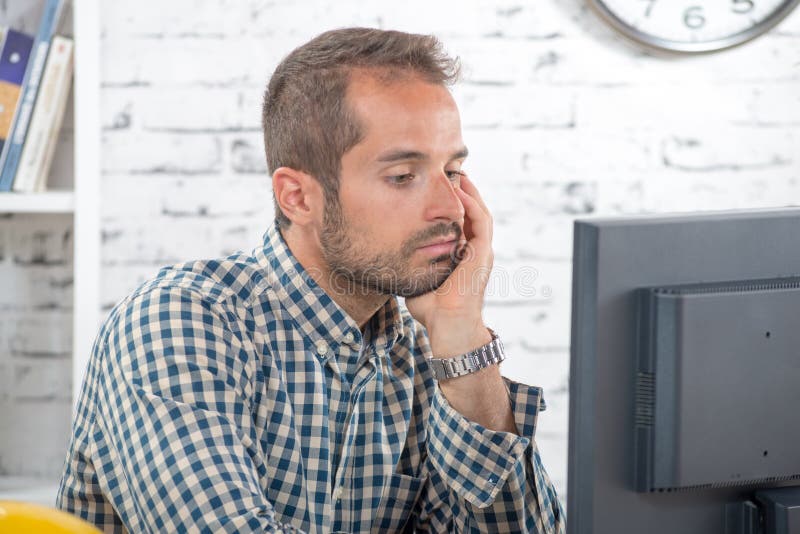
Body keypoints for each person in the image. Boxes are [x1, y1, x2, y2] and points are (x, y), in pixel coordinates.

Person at [57, 27, 565, 533]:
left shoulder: (426, 357)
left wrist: (465, 344)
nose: (451, 207)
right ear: (297, 197)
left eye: (452, 170)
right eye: (403, 176)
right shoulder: (178, 325)